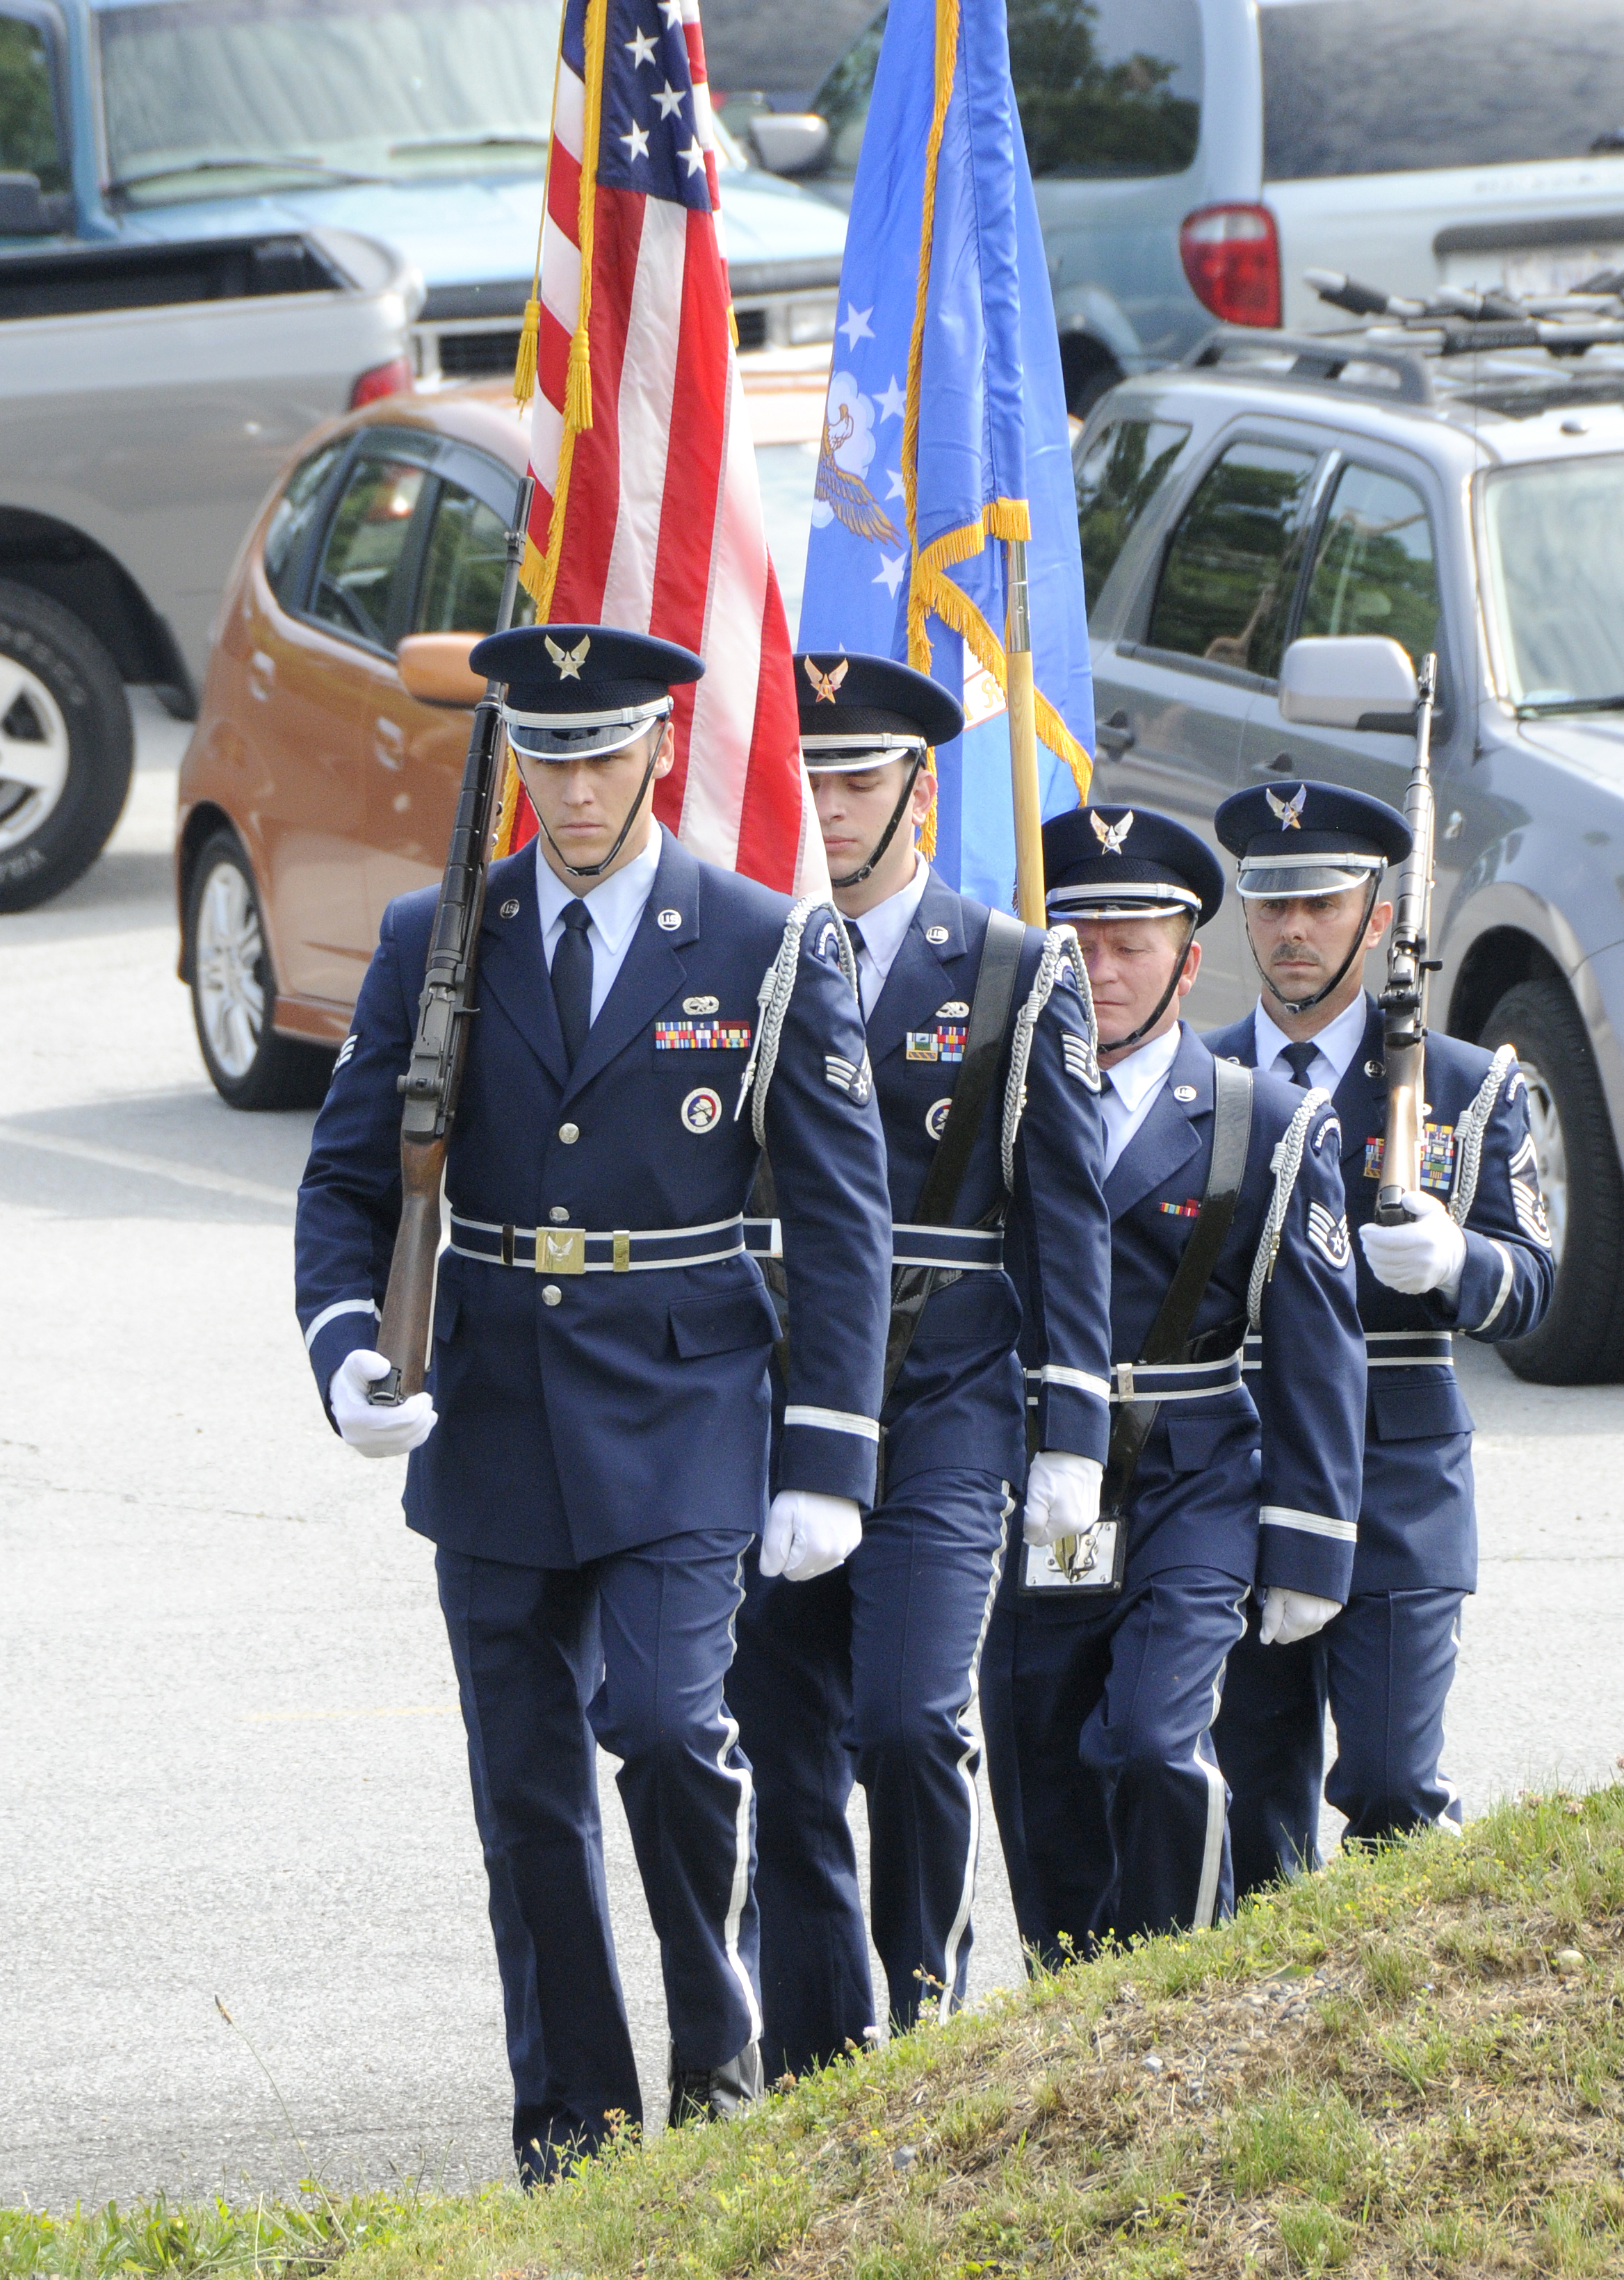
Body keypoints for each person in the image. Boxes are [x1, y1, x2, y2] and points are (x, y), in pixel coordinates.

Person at [294, 625, 893, 2182]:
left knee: (670, 1724)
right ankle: (575, 2112)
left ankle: (718, 2043)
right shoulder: (444, 934)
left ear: (658, 754)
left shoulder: (763, 941)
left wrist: (828, 1448)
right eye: (546, 756)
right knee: (527, 1791)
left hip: (685, 1398)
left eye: (601, 753)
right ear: (515, 761)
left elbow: (841, 1218)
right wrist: (349, 1342)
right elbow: (350, 1177)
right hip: (489, 1401)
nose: (572, 787)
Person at [729, 652, 1113, 2080]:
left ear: (921, 789)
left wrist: (1071, 1429)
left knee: (906, 1713)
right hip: (775, 1390)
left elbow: (1064, 1216)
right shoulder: (748, 953)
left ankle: (919, 1990)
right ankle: (813, 2046)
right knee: (782, 1737)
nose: (826, 804)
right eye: (808, 775)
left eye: (856, 777)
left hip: (949, 1401)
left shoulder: (1016, 970)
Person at [982, 805, 1367, 1960]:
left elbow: (1316, 1350)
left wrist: (1309, 1545)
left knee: (1153, 1742)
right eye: (1079, 938)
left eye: (1132, 941)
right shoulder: (1006, 1105)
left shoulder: (1266, 1118)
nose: (1100, 967)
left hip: (1194, 1475)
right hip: (1052, 1472)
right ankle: (1070, 2013)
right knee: (1039, 1755)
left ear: (1189, 959)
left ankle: (1178, 1980)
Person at [1204, 780, 1554, 1886]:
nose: (1294, 930)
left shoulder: (1460, 1087)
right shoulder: (1198, 1082)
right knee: (1253, 1807)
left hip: (1396, 1474)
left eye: (1322, 903)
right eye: (1271, 904)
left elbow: (1537, 1283)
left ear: (1377, 915)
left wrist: (1461, 1263)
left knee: (1398, 1788)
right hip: (1242, 1461)